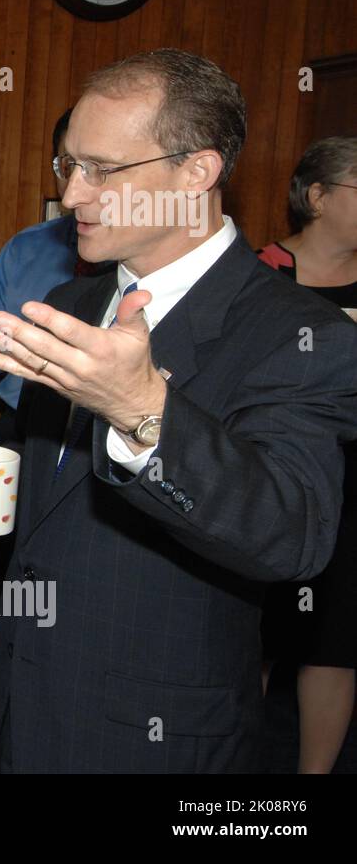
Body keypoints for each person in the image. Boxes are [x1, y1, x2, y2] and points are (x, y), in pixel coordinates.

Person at [0, 49, 357, 773]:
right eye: (69, 166)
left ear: (196, 173)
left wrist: (142, 410)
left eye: (102, 169)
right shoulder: (70, 301)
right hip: (13, 708)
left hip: (150, 736)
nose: (71, 196)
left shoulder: (299, 335)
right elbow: (54, 508)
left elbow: (292, 536)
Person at [259, 135, 357, 773]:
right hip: (273, 483)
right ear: (316, 196)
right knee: (253, 639)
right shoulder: (260, 272)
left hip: (352, 493)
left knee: (337, 644)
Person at [0, 108, 110, 444]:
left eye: (96, 168)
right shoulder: (26, 247)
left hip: (103, 437)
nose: (75, 183)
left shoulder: (138, 257)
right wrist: (12, 344)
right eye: (68, 165)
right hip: (22, 430)